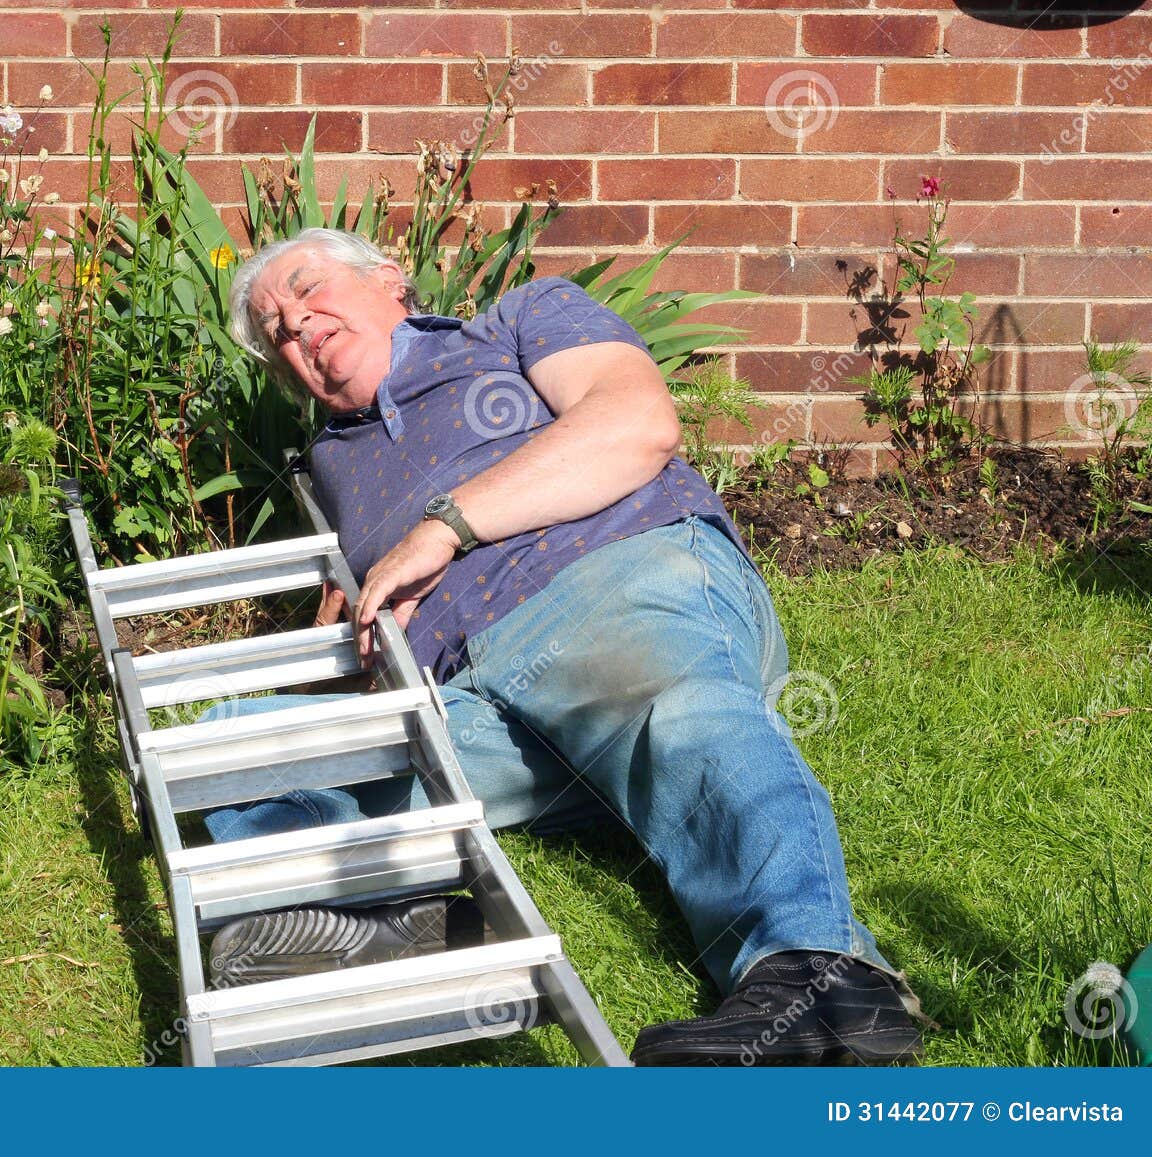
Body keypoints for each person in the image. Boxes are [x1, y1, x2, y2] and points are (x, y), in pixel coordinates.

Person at [197, 227, 925, 1066]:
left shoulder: (516, 320)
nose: (296, 325)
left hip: (605, 577)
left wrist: (446, 525)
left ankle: (821, 982)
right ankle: (402, 929)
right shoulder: (330, 459)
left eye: (306, 288)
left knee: (680, 714)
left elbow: (637, 423)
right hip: (471, 694)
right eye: (276, 331)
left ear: (391, 280)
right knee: (242, 740)